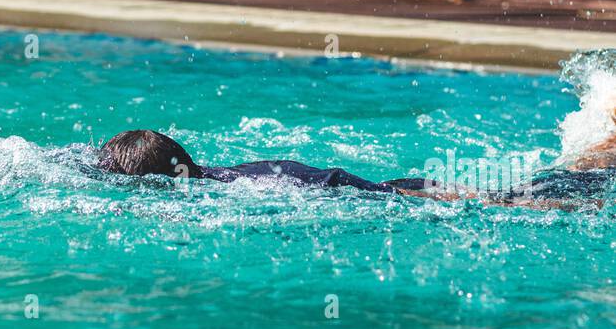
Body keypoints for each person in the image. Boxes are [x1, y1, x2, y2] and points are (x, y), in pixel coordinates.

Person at [96, 128, 428, 195]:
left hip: (327, 185)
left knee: (389, 193)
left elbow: (334, 181)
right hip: (296, 174)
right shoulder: (202, 176)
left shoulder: (237, 191)